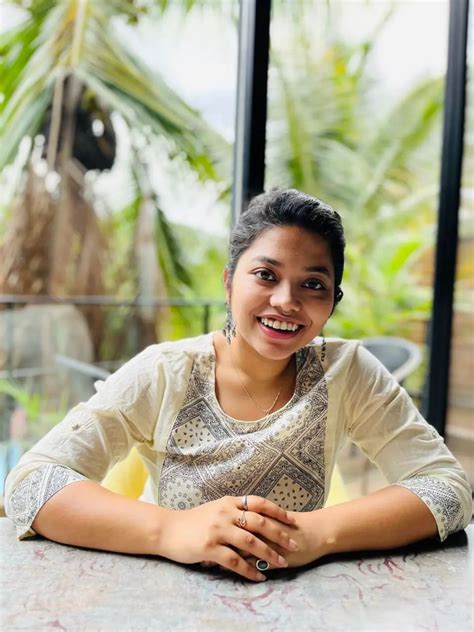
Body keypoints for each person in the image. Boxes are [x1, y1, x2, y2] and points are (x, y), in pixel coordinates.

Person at [4, 188, 471, 583]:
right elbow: (31, 483)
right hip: (163, 602)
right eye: (266, 275)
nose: (286, 301)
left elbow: (447, 488)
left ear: (333, 301)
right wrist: (171, 530)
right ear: (229, 283)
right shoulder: (165, 372)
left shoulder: (346, 371)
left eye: (313, 284)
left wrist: (316, 534)